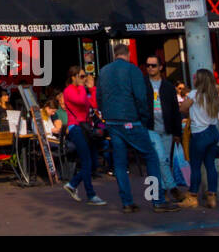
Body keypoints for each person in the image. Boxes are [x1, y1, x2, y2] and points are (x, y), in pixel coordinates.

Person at [96, 44, 178, 213]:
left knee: (120, 162)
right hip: (130, 119)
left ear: (114, 54)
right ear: (128, 54)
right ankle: (157, 199)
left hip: (112, 121)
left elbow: (99, 97)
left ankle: (127, 202)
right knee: (151, 156)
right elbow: (140, 97)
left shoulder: (104, 71)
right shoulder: (133, 70)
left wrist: (106, 113)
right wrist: (143, 117)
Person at [178, 68, 219, 208]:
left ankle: (192, 196)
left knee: (196, 166)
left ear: (200, 80)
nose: (193, 79)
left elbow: (183, 108)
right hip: (213, 131)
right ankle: (212, 196)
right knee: (210, 165)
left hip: (199, 133)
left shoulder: (194, 93)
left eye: (195, 77)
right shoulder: (214, 95)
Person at [145, 56, 187, 202]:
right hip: (150, 128)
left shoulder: (168, 87)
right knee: (160, 159)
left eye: (153, 65)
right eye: (148, 65)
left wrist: (177, 132)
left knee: (164, 160)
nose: (150, 68)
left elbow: (175, 110)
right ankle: (172, 189)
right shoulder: (143, 85)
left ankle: (159, 193)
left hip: (167, 128)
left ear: (160, 67)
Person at [61, 67, 103, 205]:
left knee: (92, 163)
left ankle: (72, 184)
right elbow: (80, 101)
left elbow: (94, 105)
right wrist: (82, 88)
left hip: (86, 127)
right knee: (86, 161)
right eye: (82, 76)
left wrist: (91, 89)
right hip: (76, 127)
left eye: (85, 76)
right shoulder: (69, 91)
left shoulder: (82, 90)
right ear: (73, 77)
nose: (84, 79)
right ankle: (91, 195)